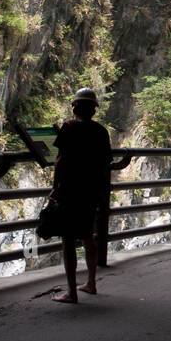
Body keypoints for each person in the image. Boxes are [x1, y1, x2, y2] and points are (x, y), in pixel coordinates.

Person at [49, 87, 112, 302]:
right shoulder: (102, 131)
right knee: (87, 236)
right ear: (94, 110)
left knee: (68, 239)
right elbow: (105, 163)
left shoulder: (68, 127)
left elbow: (60, 159)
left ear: (74, 107)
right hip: (91, 190)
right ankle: (91, 283)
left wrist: (56, 186)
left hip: (71, 189)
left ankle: (71, 292)